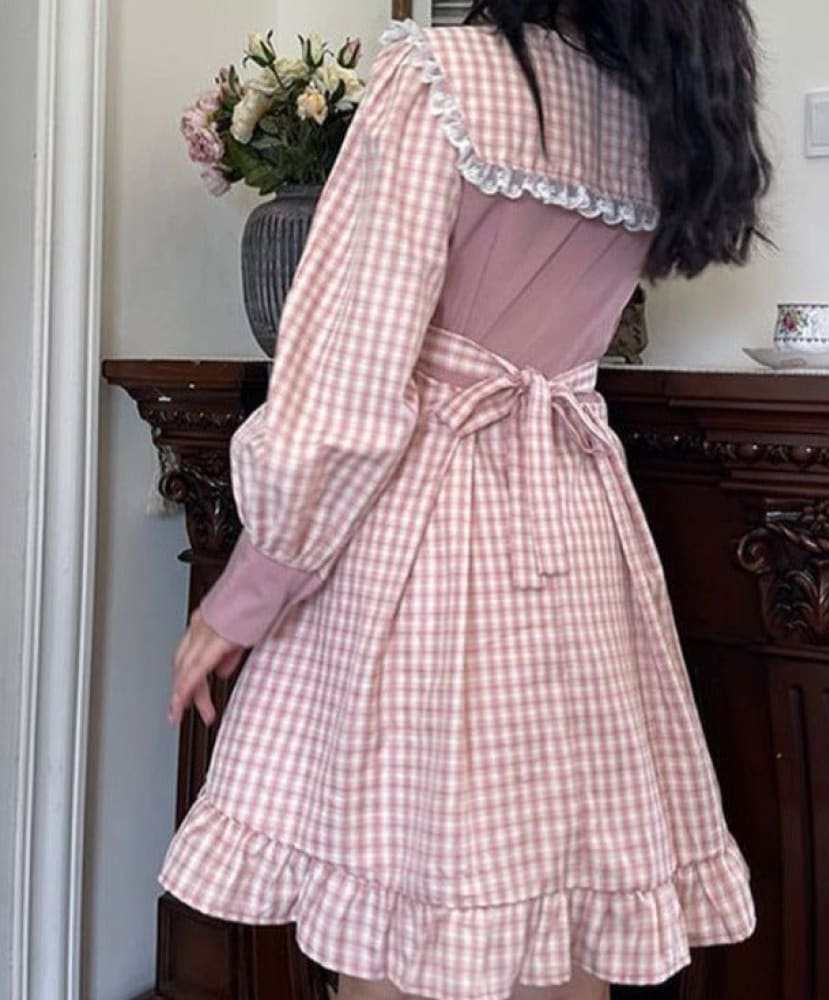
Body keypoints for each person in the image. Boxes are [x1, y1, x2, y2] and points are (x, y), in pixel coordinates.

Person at [161, 2, 772, 998]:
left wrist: (246, 594)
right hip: (576, 532)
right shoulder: (657, 118)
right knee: (558, 904)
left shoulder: (445, 78)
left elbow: (351, 390)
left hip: (428, 530)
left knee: (404, 916)